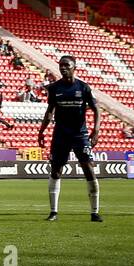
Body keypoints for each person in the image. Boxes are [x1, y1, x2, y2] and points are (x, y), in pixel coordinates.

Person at [37, 55, 102, 222]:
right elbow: (50, 111)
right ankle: (53, 212)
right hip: (60, 134)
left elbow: (96, 110)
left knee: (88, 168)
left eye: (66, 65)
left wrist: (95, 131)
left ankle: (94, 212)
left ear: (75, 67)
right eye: (61, 65)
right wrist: (42, 131)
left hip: (80, 135)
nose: (63, 68)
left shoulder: (84, 88)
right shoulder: (54, 88)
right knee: (56, 170)